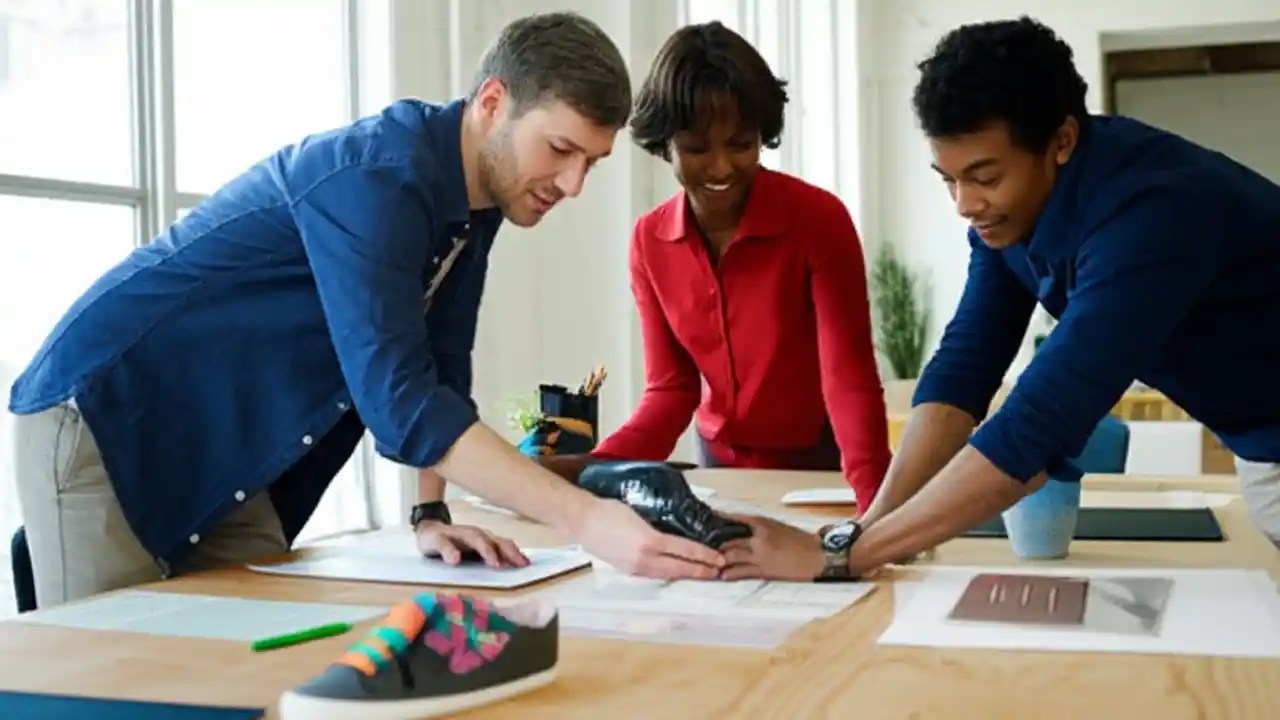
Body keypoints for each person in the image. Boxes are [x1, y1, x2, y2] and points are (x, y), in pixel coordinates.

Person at [7, 11, 722, 609]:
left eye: (590, 163)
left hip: (226, 443)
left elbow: (440, 373)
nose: (571, 184)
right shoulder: (379, 180)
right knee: (117, 680)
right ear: (494, 102)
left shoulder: (475, 207)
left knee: (262, 666)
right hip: (105, 416)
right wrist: (586, 520)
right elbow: (399, 401)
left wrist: (430, 511)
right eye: (561, 149)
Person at [715, 16, 1280, 581]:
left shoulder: (1151, 214)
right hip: (1261, 447)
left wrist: (842, 556)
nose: (965, 203)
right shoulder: (1008, 219)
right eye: (949, 179)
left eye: (984, 176)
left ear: (1061, 142)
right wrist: (867, 529)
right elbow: (965, 369)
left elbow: (1037, 425)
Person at [527, 21, 892, 512]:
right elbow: (671, 392)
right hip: (721, 470)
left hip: (822, 467)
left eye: (740, 144)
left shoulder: (819, 221)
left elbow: (848, 378)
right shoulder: (649, 242)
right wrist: (592, 471)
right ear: (665, 146)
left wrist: (878, 508)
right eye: (697, 149)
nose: (721, 167)